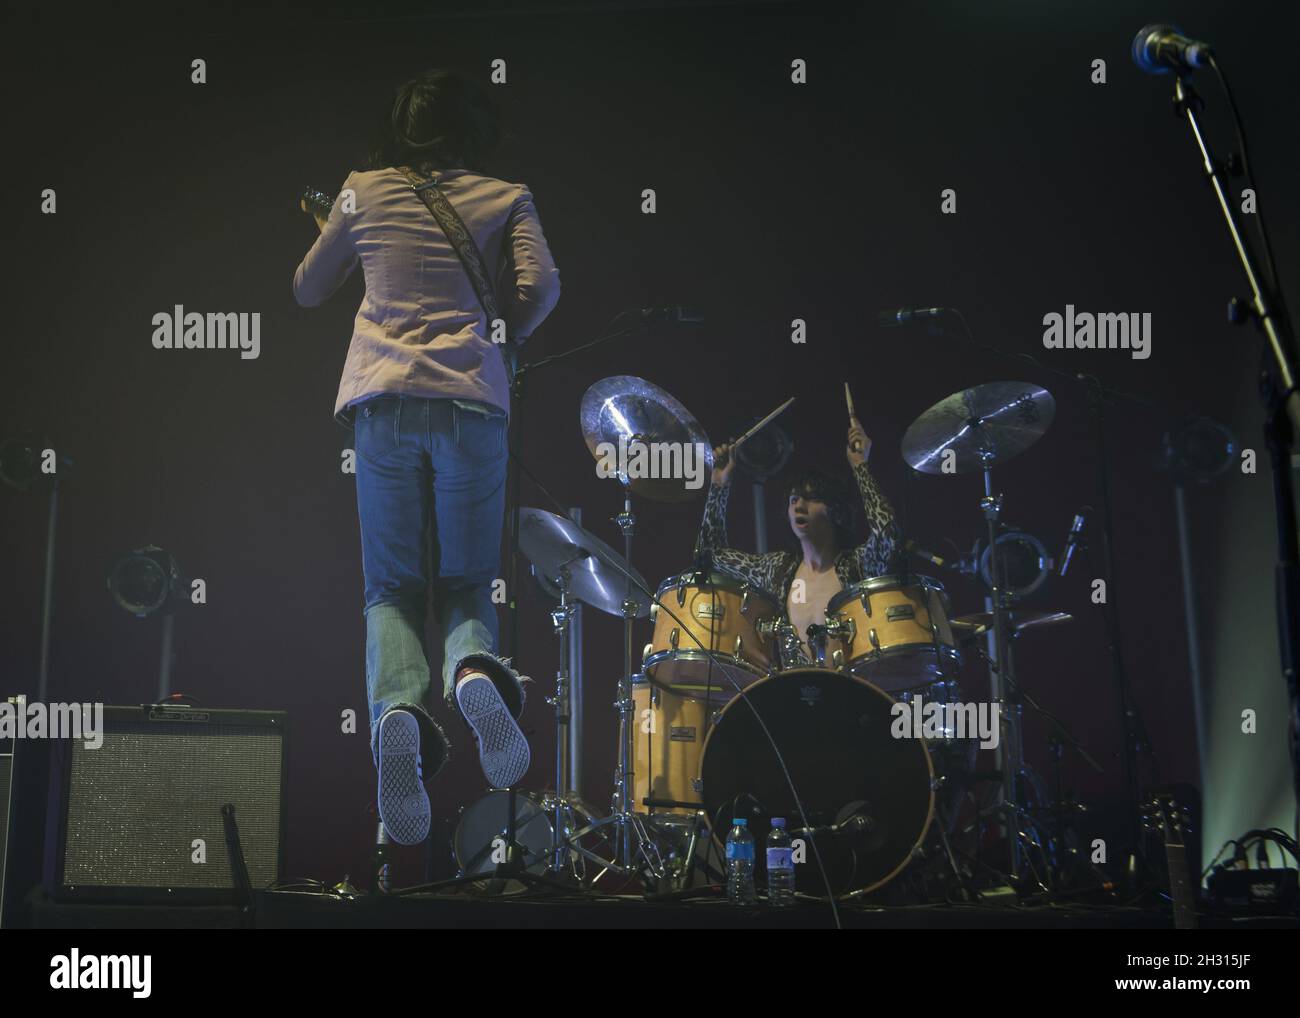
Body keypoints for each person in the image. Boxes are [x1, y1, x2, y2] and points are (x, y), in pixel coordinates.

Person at [293, 69, 561, 845]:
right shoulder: (507, 193)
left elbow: (309, 289)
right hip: (473, 401)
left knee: (392, 588)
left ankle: (399, 716)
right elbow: (541, 286)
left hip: (381, 402)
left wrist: (335, 234)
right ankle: (474, 675)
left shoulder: (360, 189)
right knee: (469, 579)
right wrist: (495, 332)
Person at [700, 414, 899, 661]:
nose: (798, 505)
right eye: (793, 499)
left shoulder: (858, 565)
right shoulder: (778, 570)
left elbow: (887, 531)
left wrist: (860, 466)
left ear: (834, 510)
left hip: (852, 693)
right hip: (797, 696)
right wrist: (719, 486)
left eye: (811, 498)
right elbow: (710, 556)